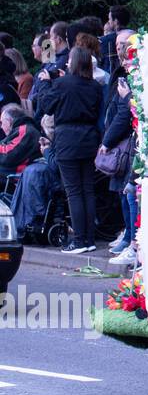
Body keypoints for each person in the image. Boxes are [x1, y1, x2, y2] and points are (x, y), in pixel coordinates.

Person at [35, 45, 103, 255]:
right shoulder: (95, 86)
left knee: (73, 192)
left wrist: (46, 83)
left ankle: (79, 240)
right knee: (87, 190)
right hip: (89, 139)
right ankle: (89, 239)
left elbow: (46, 106)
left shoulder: (62, 83)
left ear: (73, 62)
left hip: (68, 140)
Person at [99, 61, 136, 262]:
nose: (121, 51)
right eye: (118, 46)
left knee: (129, 192)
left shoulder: (131, 83)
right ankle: (129, 236)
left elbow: (125, 114)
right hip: (124, 143)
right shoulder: (121, 76)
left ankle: (132, 241)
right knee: (125, 191)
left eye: (125, 46)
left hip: (129, 144)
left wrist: (107, 140)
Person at [10, 119, 62, 237]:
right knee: (31, 172)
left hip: (58, 177)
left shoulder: (62, 139)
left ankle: (34, 218)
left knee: (34, 173)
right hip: (47, 173)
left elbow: (56, 165)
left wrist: (47, 151)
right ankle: (28, 220)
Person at [0, 103, 41, 178]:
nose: (1, 127)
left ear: (9, 121)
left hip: (17, 174)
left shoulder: (24, 130)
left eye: (2, 122)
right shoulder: (21, 129)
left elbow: (8, 155)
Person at [101, 5, 130, 77]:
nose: (109, 21)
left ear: (116, 21)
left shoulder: (107, 40)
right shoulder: (135, 34)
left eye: (110, 19)